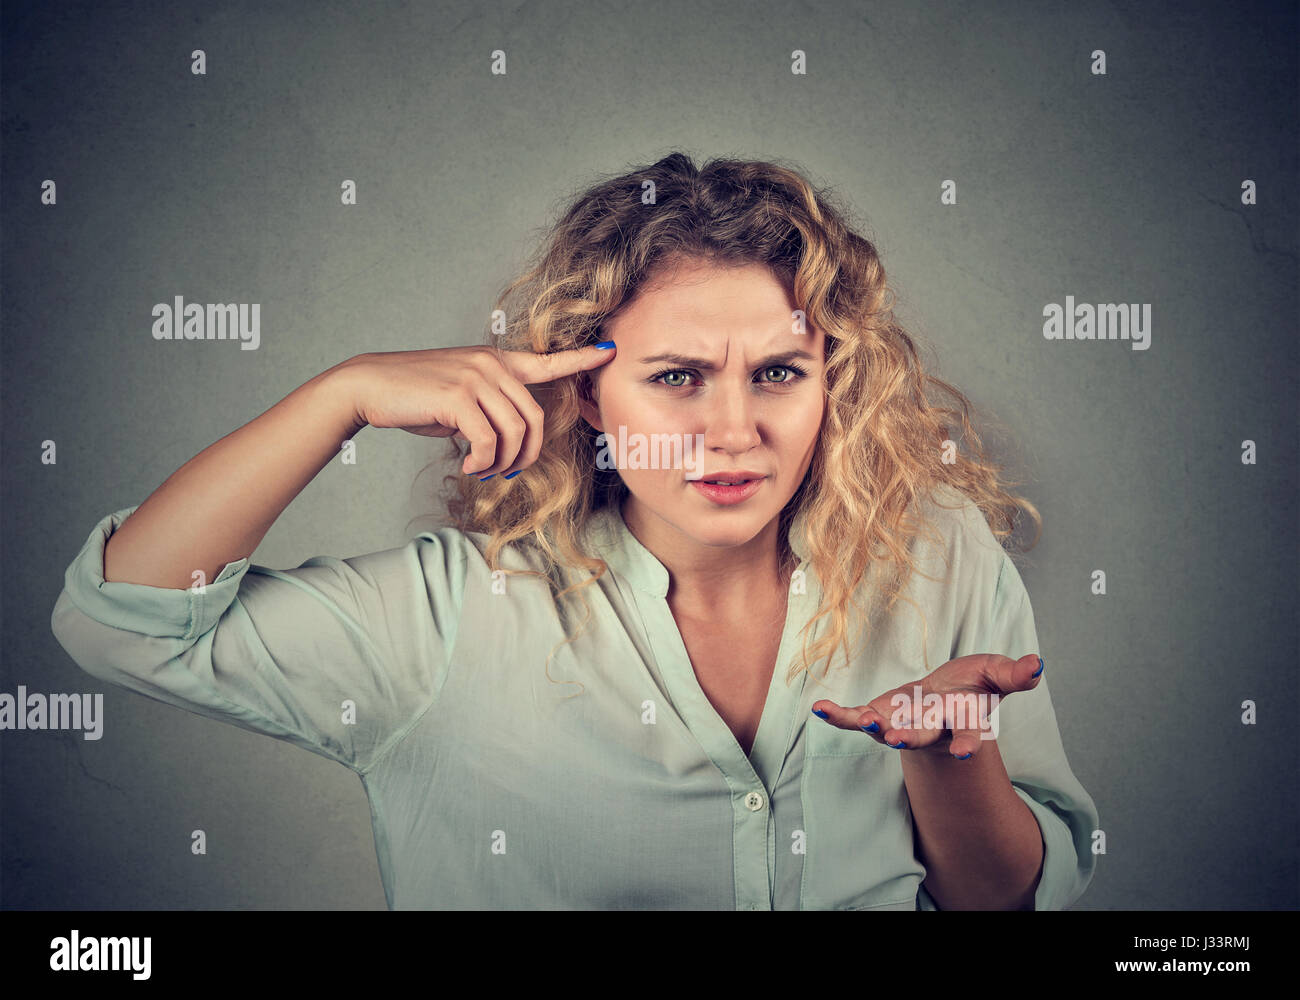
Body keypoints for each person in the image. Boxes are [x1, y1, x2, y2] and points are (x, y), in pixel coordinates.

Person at [51, 152, 1099, 910]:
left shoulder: (934, 556)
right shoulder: (450, 615)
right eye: (677, 377)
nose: (733, 431)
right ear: (590, 396)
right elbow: (124, 623)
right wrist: (343, 394)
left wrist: (951, 760)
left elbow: (1005, 900)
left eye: (778, 373)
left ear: (831, 382)